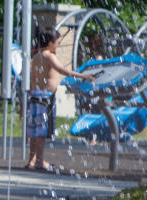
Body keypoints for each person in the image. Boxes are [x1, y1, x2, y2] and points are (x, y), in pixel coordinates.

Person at [26, 26, 96, 173]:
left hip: (35, 97)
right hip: (45, 98)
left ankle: (31, 160)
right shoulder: (49, 57)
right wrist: (83, 76)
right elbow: (63, 70)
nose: (57, 44)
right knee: (41, 132)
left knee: (34, 131)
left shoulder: (36, 57)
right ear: (50, 42)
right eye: (56, 41)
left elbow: (32, 80)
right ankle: (39, 160)